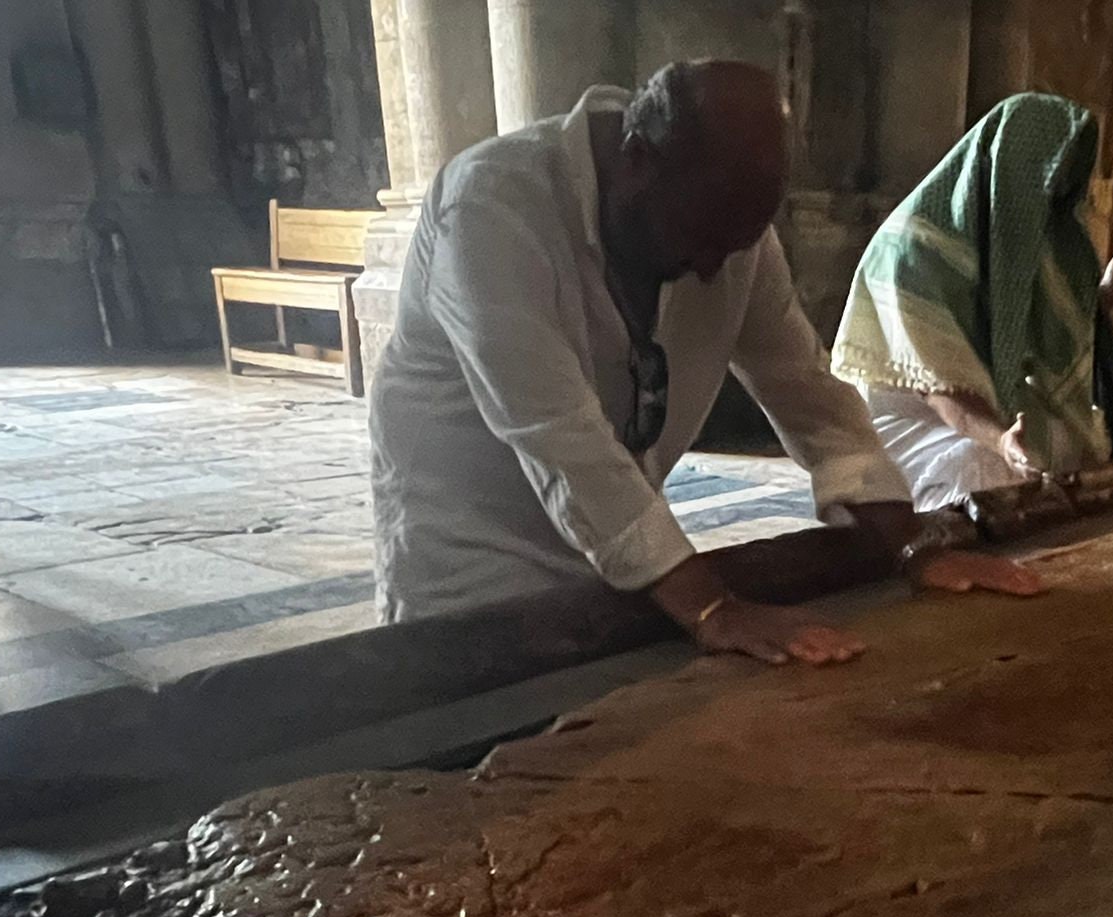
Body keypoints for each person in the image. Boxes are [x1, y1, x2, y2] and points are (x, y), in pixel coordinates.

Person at [369, 60, 1038, 667]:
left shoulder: (725, 230)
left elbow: (805, 386)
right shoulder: (491, 209)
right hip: (472, 561)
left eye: (735, 242)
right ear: (636, 160)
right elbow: (560, 437)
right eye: (700, 236)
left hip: (623, 562)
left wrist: (915, 547)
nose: (713, 267)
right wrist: (714, 609)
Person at [829, 94, 1113, 513]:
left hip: (987, 407)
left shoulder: (1031, 237)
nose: (1056, 195)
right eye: (1046, 178)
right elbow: (938, 389)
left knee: (1075, 447)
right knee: (986, 471)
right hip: (905, 421)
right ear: (1009, 170)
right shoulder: (911, 249)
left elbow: (1037, 333)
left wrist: (1106, 296)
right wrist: (1001, 439)